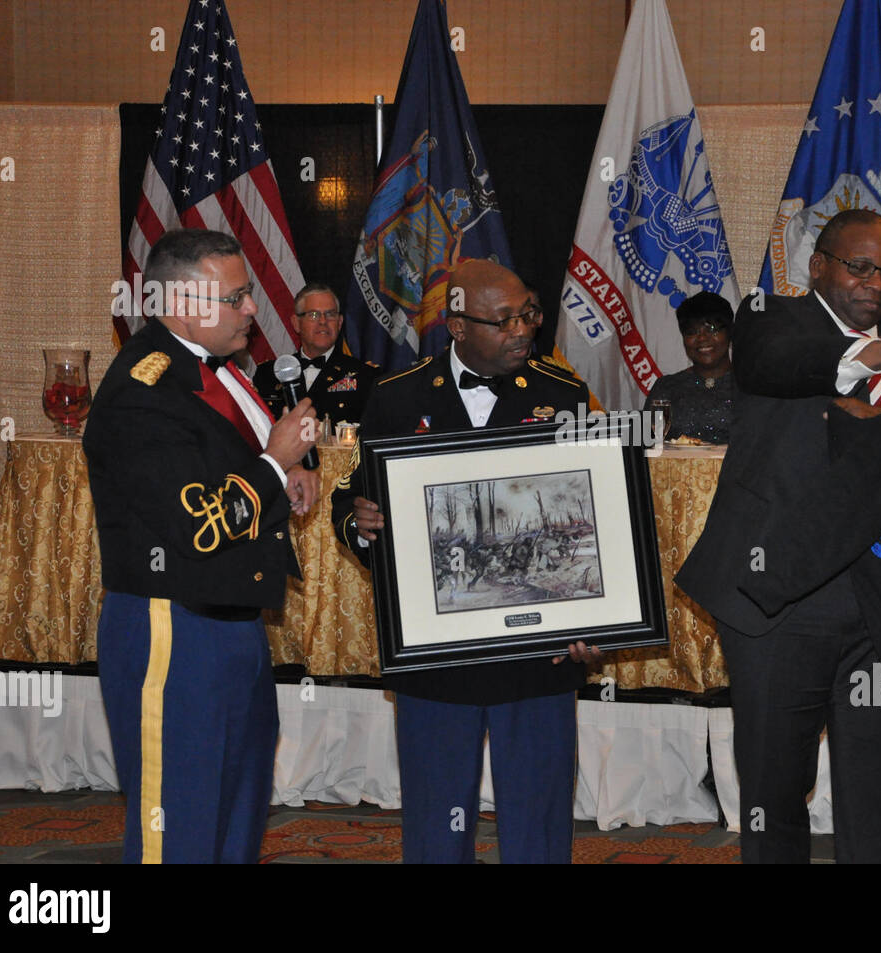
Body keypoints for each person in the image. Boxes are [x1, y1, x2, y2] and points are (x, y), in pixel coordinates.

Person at [675, 209, 881, 863]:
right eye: (861, 266)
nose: (877, 283)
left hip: (878, 606)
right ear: (819, 266)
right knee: (774, 791)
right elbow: (779, 363)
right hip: (777, 601)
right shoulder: (767, 321)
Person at [332, 258, 599, 863]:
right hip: (436, 654)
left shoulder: (565, 395)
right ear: (457, 325)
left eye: (527, 314)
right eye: (502, 320)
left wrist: (593, 617)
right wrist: (362, 526)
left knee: (538, 822)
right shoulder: (397, 398)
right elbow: (351, 497)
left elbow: (597, 514)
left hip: (539, 654)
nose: (522, 330)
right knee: (436, 821)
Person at [84, 228, 319, 863]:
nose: (253, 309)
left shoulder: (206, 371)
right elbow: (199, 524)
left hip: (230, 623)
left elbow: (226, 466)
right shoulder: (143, 388)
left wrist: (282, 475)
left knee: (235, 815)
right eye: (238, 296)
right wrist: (273, 463)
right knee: (179, 822)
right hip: (173, 626)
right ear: (184, 303)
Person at [252, 283, 377, 425]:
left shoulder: (365, 376)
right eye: (313, 315)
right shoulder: (268, 375)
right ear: (296, 323)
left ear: (340, 322)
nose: (323, 321)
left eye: (330, 314)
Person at [643, 291, 736, 444]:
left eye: (712, 329)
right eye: (692, 332)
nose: (702, 338)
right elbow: (649, 446)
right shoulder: (666, 388)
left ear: (730, 333)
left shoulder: (751, 388)